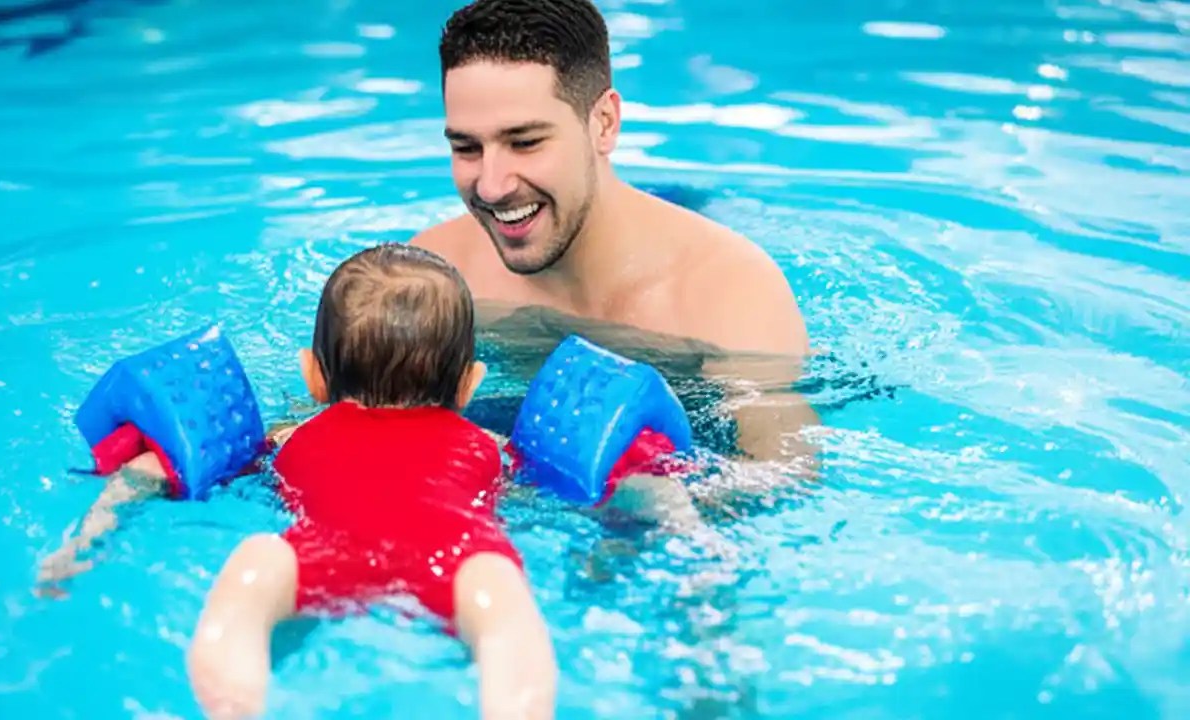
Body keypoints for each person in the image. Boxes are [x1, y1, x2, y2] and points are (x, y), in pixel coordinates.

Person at [43, 245, 558, 719]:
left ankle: (233, 706)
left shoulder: (287, 439)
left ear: (313, 376)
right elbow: (543, 498)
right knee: (500, 599)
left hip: (321, 549)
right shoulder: (492, 447)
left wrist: (90, 534)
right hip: (458, 552)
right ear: (470, 383)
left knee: (255, 567)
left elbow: (149, 471)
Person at [412, 0, 821, 478]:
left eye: (525, 142)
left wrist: (647, 497)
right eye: (466, 148)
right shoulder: (437, 273)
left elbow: (784, 472)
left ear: (604, 123)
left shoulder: (727, 294)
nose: (491, 185)